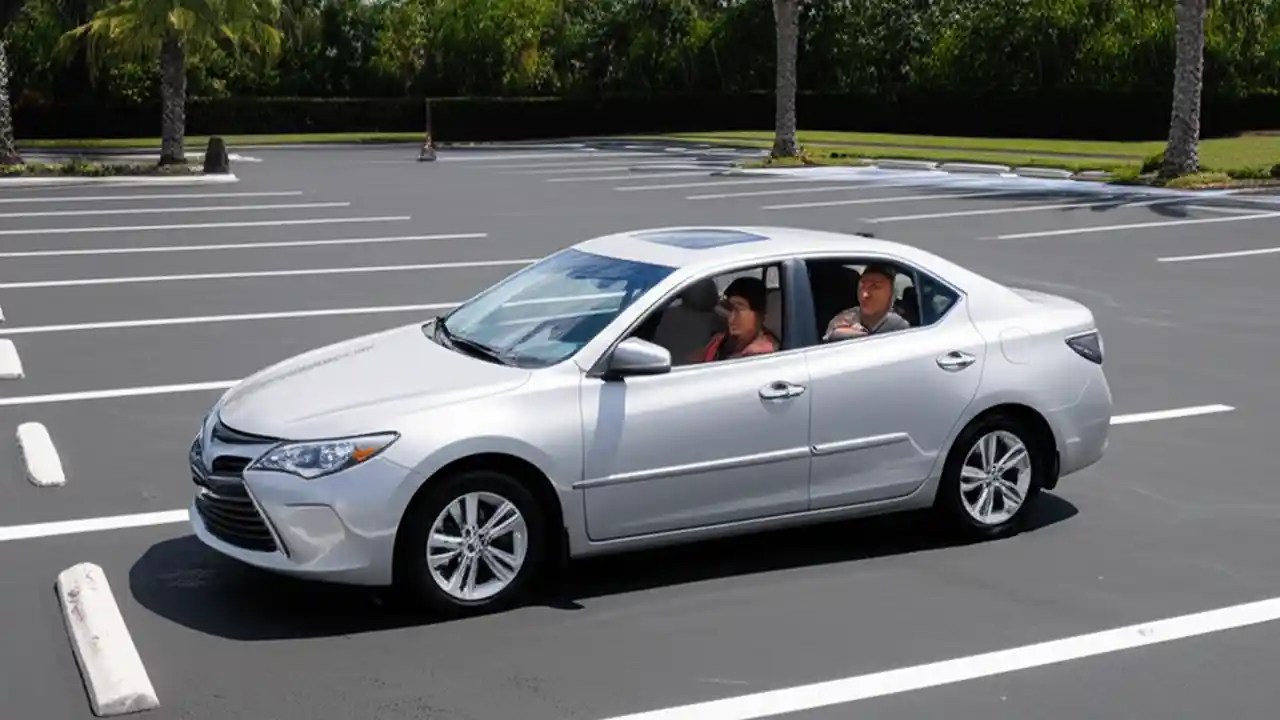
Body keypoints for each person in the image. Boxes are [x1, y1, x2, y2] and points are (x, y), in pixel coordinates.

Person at [697, 276, 779, 362]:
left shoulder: (759, 356)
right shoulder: (723, 339)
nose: (730, 319)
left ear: (759, 314)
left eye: (739, 309)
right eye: (730, 308)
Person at [824, 262, 911, 341]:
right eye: (862, 286)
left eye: (875, 286)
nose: (865, 295)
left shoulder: (900, 325)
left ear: (892, 293)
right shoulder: (845, 318)